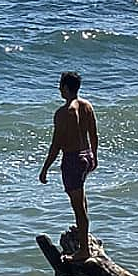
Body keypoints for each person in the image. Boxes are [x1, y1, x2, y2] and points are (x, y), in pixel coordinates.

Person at [38, 70, 99, 260]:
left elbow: (56, 145)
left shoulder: (64, 113)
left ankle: (84, 251)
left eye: (60, 86)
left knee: (78, 207)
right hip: (86, 156)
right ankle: (84, 237)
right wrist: (94, 157)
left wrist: (45, 168)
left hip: (73, 160)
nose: (58, 89)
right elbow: (94, 135)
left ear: (65, 88)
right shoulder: (87, 106)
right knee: (81, 200)